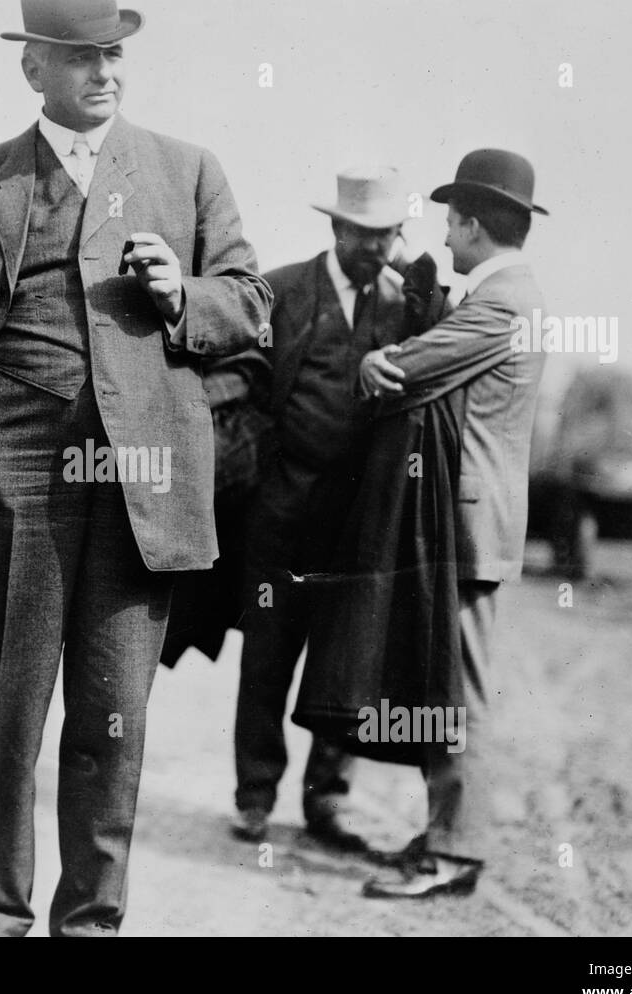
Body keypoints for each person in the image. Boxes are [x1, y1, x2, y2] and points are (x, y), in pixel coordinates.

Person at [0, 0, 271, 936]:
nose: (103, 72)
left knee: (113, 717)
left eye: (113, 54)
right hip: (11, 473)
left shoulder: (188, 172)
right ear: (33, 69)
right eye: (79, 58)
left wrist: (181, 292)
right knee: (2, 710)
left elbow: (251, 306)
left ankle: (91, 922)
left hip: (141, 474)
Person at [310, 149, 549, 899]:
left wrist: (383, 356)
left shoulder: (501, 301)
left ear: (474, 223)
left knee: (464, 694)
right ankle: (448, 835)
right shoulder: (509, 294)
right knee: (456, 687)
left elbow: (413, 368)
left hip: (471, 522)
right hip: (475, 518)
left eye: (451, 222)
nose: (445, 237)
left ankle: (452, 851)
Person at [230, 169, 412, 849]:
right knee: (267, 659)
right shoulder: (282, 290)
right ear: (336, 229)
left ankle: (327, 799)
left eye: (387, 235)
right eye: (364, 234)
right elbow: (241, 385)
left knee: (349, 660)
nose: (376, 248)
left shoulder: (405, 304)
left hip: (359, 526)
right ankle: (254, 795)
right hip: (279, 514)